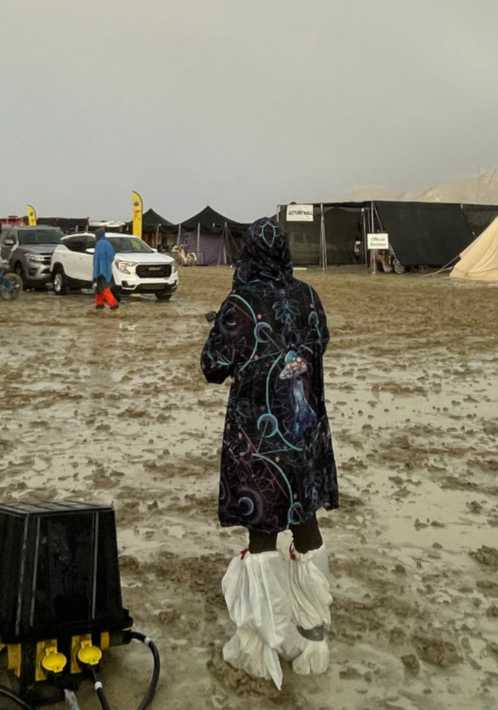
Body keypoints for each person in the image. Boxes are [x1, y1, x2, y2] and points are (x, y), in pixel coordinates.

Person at [202, 218, 338, 688]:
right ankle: (313, 636)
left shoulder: (240, 302)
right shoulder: (309, 296)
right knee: (306, 523)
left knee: (263, 535)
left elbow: (212, 366)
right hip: (305, 434)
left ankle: (263, 647)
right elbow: (318, 343)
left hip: (258, 445)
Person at [91, 229, 119, 312]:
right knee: (98, 290)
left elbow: (97, 259)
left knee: (103, 289)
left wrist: (100, 268)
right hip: (106, 270)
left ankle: (114, 306)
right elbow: (112, 255)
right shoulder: (107, 243)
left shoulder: (99, 244)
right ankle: (99, 308)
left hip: (100, 272)